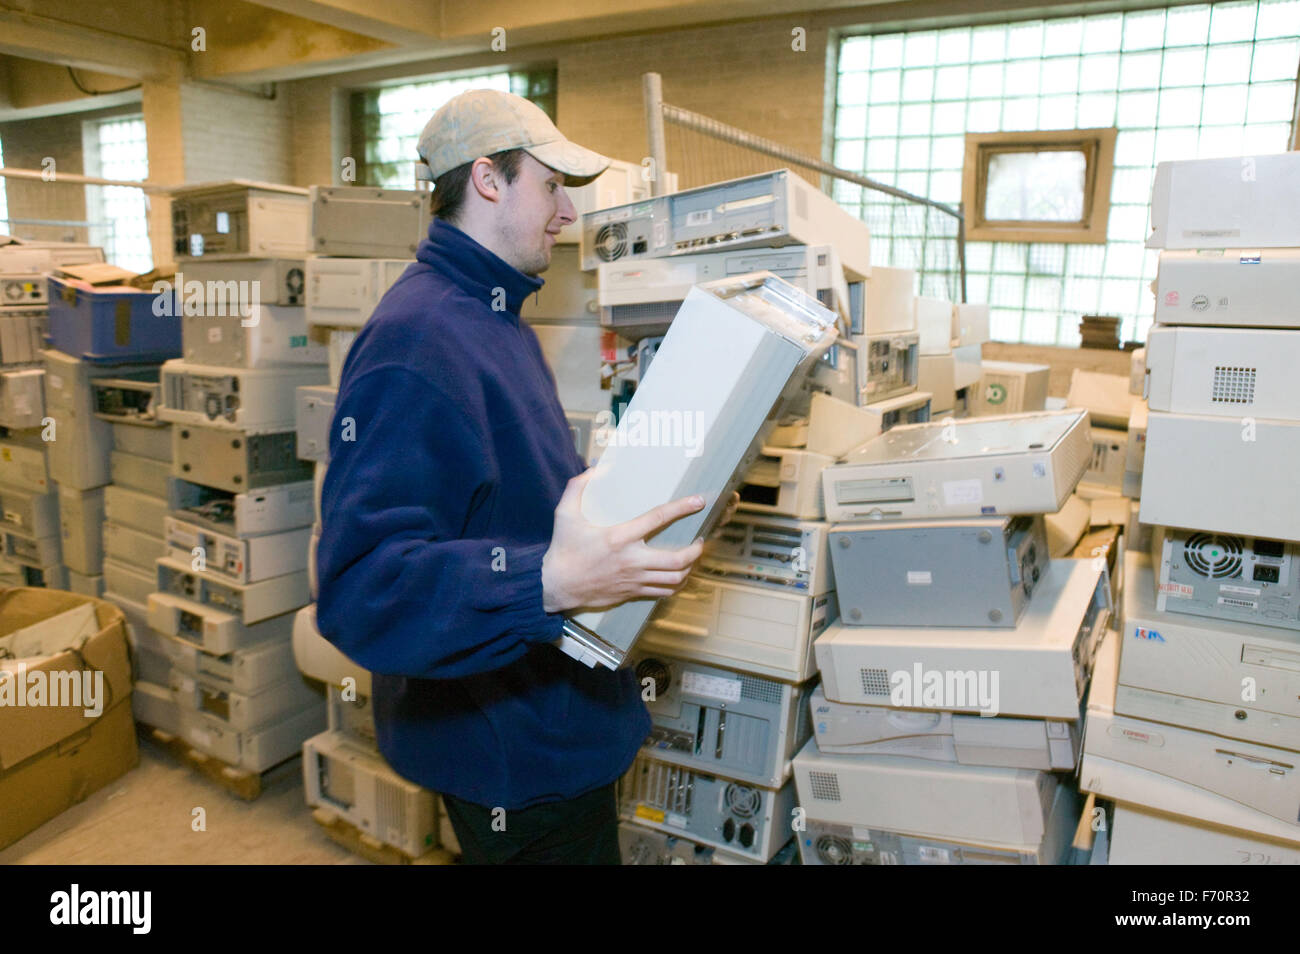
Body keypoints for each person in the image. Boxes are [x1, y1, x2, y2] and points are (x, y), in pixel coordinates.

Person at [314, 89, 718, 865]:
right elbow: (361, 590)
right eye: (552, 185)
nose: (567, 214)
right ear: (489, 180)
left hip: (557, 721)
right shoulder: (419, 342)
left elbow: (514, 501)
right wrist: (545, 582)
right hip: (513, 754)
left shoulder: (494, 318)